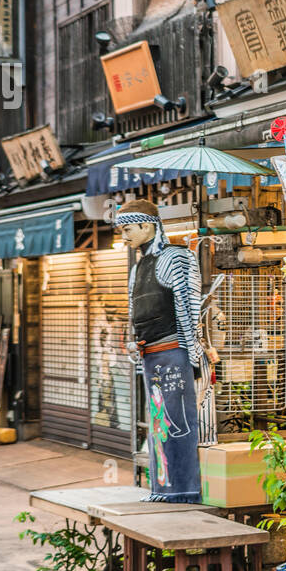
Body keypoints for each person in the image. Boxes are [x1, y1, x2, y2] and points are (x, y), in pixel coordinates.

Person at [116, 199, 204, 504]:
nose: (123, 236)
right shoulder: (138, 267)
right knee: (157, 422)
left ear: (147, 225)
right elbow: (134, 313)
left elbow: (189, 308)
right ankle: (162, 487)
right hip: (149, 355)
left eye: (127, 229)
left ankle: (183, 489)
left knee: (177, 421)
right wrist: (133, 342)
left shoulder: (177, 258)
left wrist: (192, 353)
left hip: (174, 351)